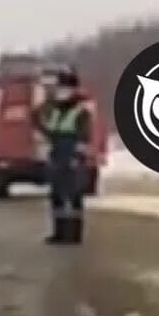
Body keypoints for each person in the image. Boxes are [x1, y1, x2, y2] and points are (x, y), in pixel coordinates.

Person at [35, 67, 93, 245]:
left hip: (72, 155)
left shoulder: (80, 110)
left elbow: (85, 135)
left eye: (64, 88)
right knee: (57, 196)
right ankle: (59, 232)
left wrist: (78, 155)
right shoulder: (55, 110)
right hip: (57, 154)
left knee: (74, 196)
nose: (61, 92)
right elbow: (46, 126)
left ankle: (74, 233)